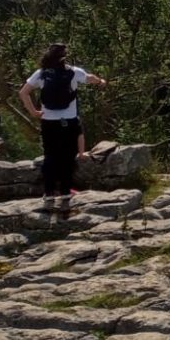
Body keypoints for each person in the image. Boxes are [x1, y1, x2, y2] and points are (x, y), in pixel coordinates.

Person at [18, 44, 106, 214]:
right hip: (69, 121)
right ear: (64, 58)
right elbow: (91, 78)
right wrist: (101, 82)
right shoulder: (73, 72)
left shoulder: (42, 73)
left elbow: (23, 92)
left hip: (49, 121)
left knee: (50, 157)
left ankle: (49, 193)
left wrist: (34, 112)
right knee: (68, 157)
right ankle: (65, 194)